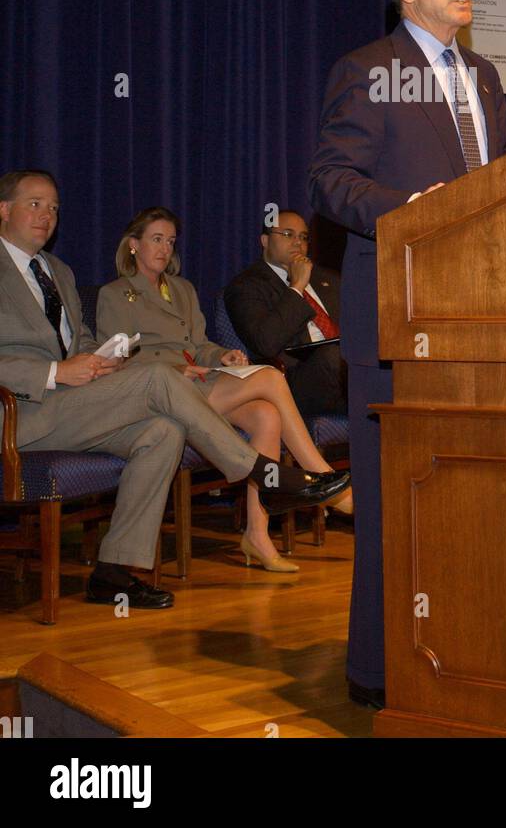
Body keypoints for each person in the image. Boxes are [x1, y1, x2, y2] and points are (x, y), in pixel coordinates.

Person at [308, 0, 506, 706]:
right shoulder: (367, 70)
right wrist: (410, 210)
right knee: (398, 504)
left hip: (484, 323)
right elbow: (331, 178)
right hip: (398, 320)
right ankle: (379, 673)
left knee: (470, 500)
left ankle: (465, 652)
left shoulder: (484, 76)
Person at [0, 170, 342, 610]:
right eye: (34, 204)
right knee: (161, 377)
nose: (46, 215)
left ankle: (113, 574)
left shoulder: (58, 271)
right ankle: (263, 475)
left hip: (75, 405)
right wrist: (54, 371)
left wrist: (99, 360)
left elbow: (80, 341)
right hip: (22, 414)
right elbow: (48, 363)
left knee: (163, 432)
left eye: (54, 208)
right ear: (4, 209)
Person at [97, 207, 351, 574]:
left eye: (170, 241)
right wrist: (174, 369)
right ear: (133, 245)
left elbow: (199, 344)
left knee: (266, 415)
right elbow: (116, 361)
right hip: (160, 392)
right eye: (156, 239)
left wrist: (223, 354)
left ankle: (258, 534)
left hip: (201, 383)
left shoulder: (181, 289)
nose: (165, 249)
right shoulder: (115, 294)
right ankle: (323, 479)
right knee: (269, 378)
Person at [224, 209, 347, 418]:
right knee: (333, 355)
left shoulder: (329, 280)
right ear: (264, 240)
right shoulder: (246, 286)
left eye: (303, 237)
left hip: (345, 374)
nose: (298, 242)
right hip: (294, 380)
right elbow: (265, 343)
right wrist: (297, 286)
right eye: (288, 234)